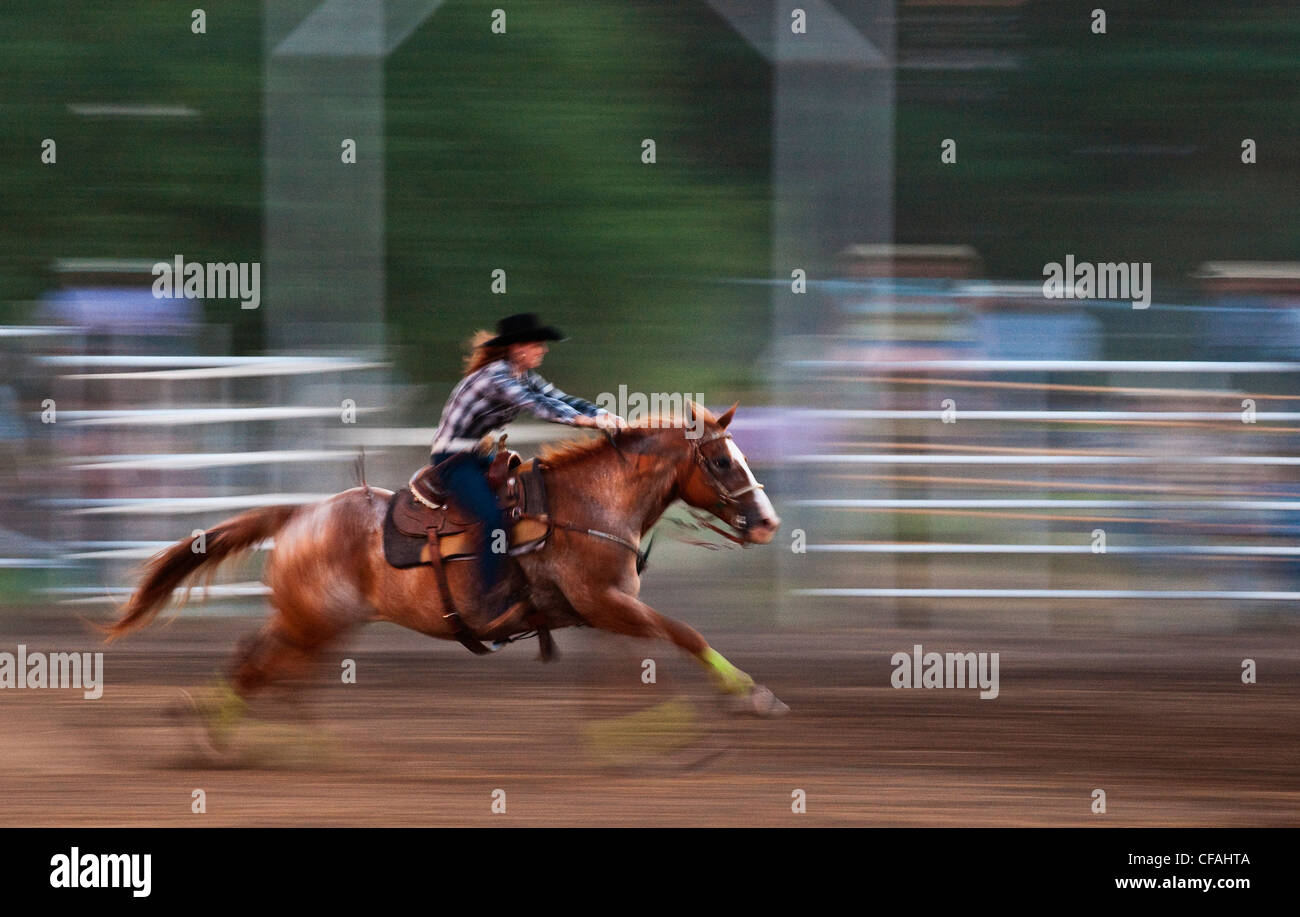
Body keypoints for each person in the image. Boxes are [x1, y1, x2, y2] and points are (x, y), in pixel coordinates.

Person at [429, 313, 626, 635]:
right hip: (451, 458)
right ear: (517, 348)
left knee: (530, 501)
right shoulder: (497, 376)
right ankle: (487, 599)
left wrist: (603, 414)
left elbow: (560, 399)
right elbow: (537, 406)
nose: (543, 350)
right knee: (492, 518)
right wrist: (586, 423)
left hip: (479, 455)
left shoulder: (522, 374)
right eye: (537, 344)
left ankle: (526, 581)